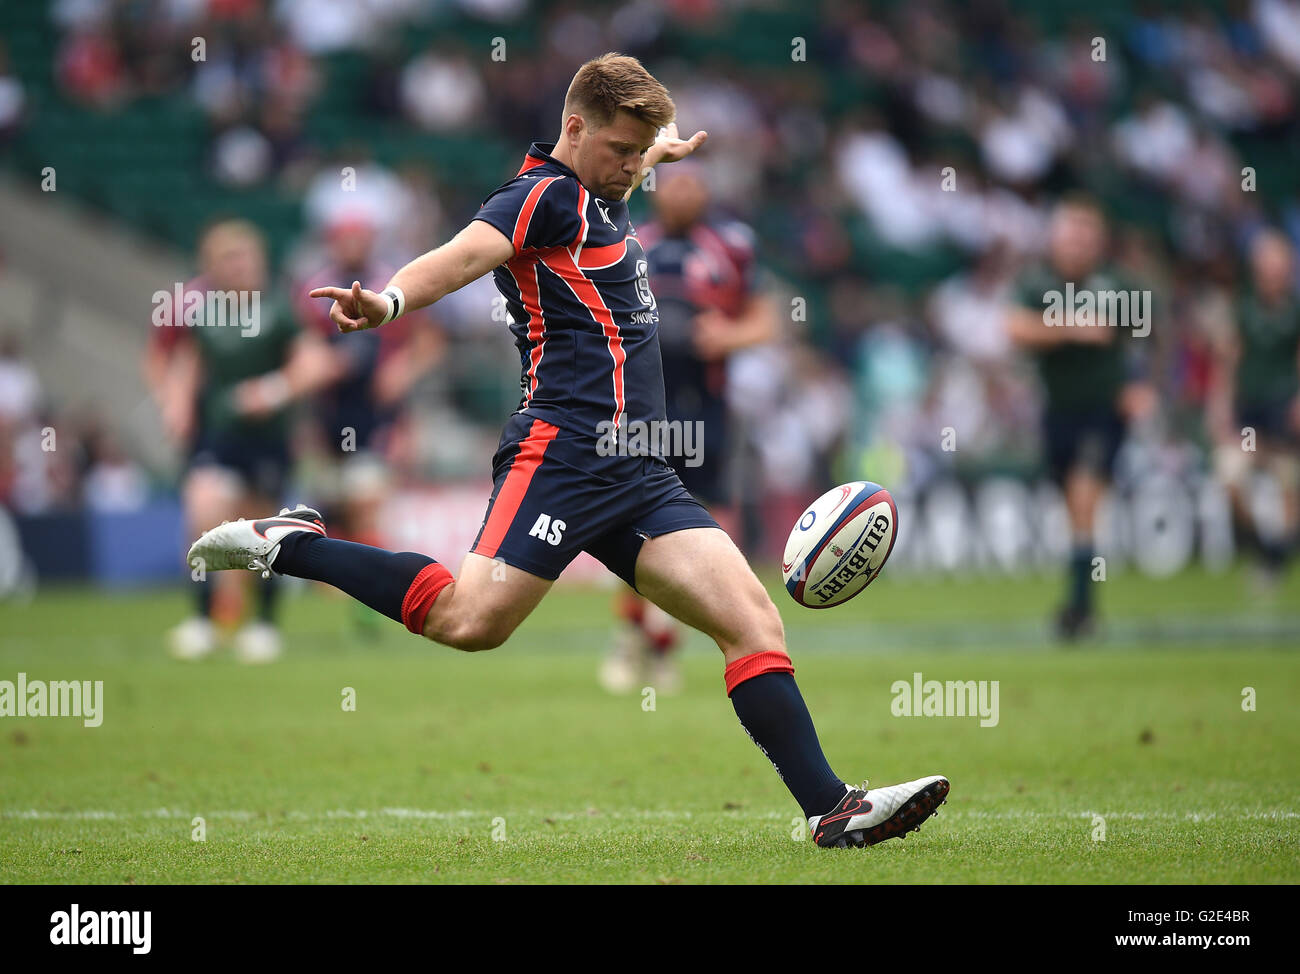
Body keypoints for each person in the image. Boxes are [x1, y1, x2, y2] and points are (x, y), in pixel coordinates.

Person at [188, 53, 947, 847]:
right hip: (563, 453)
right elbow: (462, 255)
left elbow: (628, 161)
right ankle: (299, 545)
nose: (631, 169)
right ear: (574, 128)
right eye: (621, 151)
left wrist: (658, 150)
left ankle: (831, 809)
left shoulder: (601, 182)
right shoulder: (542, 196)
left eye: (637, 154)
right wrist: (388, 301)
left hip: (640, 467)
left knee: (753, 621)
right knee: (469, 622)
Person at [599, 162, 777, 695]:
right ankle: (635, 636)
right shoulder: (628, 238)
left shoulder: (731, 248)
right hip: (637, 405)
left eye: (693, 185)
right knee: (627, 520)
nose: (683, 194)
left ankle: (674, 642)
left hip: (705, 406)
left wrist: (728, 336)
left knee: (706, 522)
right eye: (674, 184)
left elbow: (766, 320)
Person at [144, 219, 336, 662]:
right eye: (230, 259)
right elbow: (185, 360)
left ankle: (263, 625)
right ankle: (202, 620)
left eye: (247, 256)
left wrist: (271, 392)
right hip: (218, 436)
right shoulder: (199, 308)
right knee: (203, 512)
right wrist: (175, 403)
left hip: (269, 439)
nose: (242, 266)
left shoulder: (282, 306)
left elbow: (315, 362)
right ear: (212, 267)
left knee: (260, 533)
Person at [1007, 195, 1154, 640]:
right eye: (1070, 234)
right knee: (1072, 506)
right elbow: (1015, 328)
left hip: (1103, 411)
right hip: (1057, 412)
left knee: (1084, 493)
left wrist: (1139, 384)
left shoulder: (1120, 284)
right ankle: (1082, 597)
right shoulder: (1037, 282)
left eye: (1086, 236)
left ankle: (1079, 605)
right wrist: (1071, 326)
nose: (1076, 245)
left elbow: (1144, 338)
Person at [1208, 229, 1300, 584]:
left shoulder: (1294, 310)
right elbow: (1228, 362)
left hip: (1284, 413)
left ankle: (1276, 562)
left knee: (1288, 483)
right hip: (1249, 417)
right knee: (1230, 477)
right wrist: (1220, 406)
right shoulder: (1242, 310)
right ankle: (1265, 550)